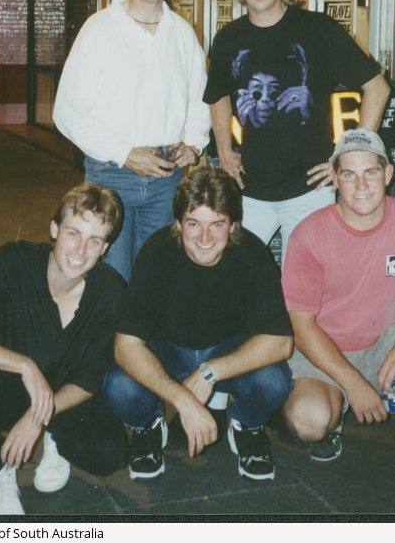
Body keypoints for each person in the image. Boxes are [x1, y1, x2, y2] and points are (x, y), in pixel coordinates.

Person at [281, 128, 395, 500]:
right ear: (334, 179)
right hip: (321, 352)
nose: (361, 184)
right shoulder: (309, 234)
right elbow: (301, 328)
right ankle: (334, 414)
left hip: (381, 345)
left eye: (370, 172)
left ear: (388, 175)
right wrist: (354, 385)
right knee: (310, 422)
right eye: (348, 174)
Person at [0, 184, 129, 515]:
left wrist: (40, 417)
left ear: (105, 248)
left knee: (110, 453)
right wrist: (25, 366)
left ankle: (56, 439)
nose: (80, 250)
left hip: (62, 399)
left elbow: (93, 375)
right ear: (54, 229)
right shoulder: (13, 263)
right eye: (73, 233)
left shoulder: (110, 291)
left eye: (94, 240)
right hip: (9, 388)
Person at [204, 0, 391, 265]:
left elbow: (377, 88)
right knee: (233, 283)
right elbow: (217, 95)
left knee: (304, 293)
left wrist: (348, 157)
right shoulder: (228, 39)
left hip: (311, 192)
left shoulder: (318, 30)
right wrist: (224, 149)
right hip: (249, 191)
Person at [102, 167, 294, 481]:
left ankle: (247, 422)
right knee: (118, 386)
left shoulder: (253, 255)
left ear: (233, 226)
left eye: (216, 224)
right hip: (168, 350)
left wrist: (210, 372)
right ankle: (147, 425)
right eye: (193, 224)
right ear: (178, 224)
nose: (205, 238)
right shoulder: (156, 254)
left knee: (274, 381)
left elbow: (281, 341)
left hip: (227, 350)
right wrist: (181, 401)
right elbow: (125, 346)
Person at [53, 0, 212, 281]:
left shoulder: (182, 33)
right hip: (112, 176)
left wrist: (195, 141)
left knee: (154, 279)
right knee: (109, 281)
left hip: (165, 178)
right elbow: (67, 112)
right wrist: (125, 152)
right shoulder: (100, 30)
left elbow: (200, 97)